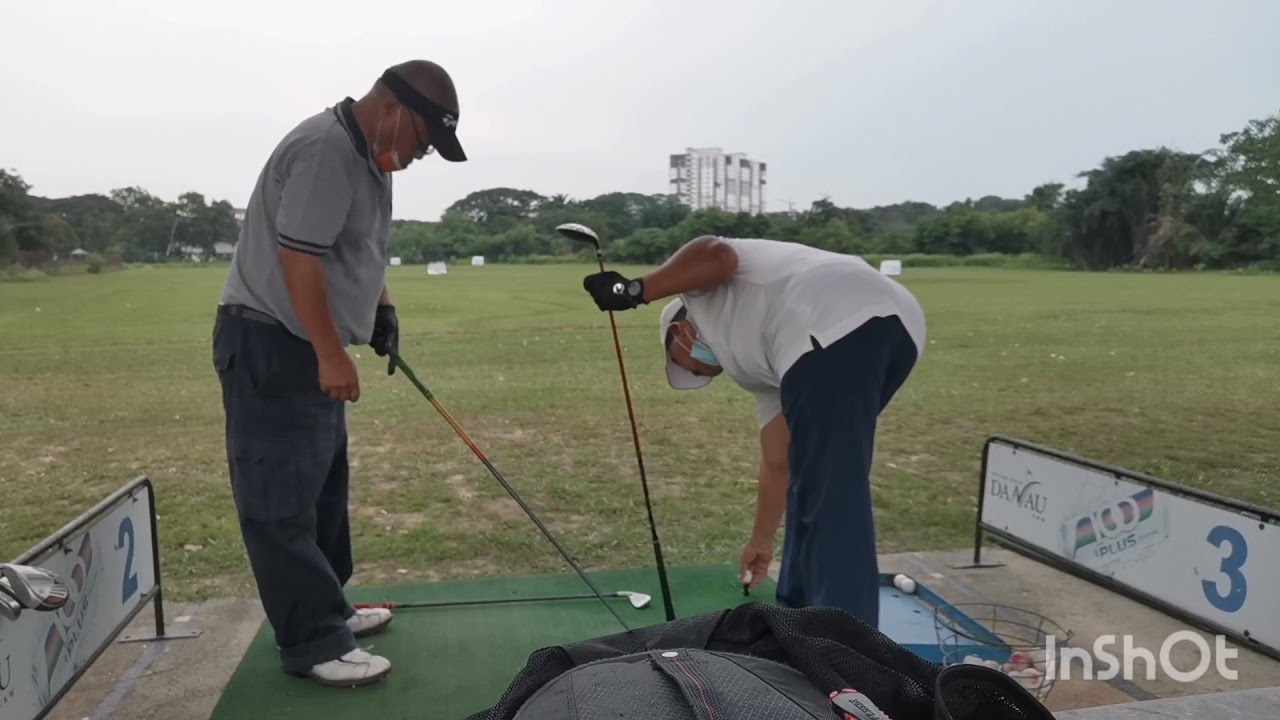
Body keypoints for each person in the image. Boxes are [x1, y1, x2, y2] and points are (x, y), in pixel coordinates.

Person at [211, 59, 467, 686]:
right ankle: (311, 642)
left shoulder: (370, 159)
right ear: (391, 111)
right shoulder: (327, 150)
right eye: (422, 142)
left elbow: (360, 251)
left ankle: (331, 611)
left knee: (322, 489)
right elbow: (298, 258)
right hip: (274, 344)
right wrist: (331, 351)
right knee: (280, 502)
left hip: (304, 341)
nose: (419, 157)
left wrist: (381, 308)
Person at [580, 236, 926, 629]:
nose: (696, 372)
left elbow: (716, 254)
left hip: (829, 314)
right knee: (813, 477)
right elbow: (779, 462)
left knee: (833, 491)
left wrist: (635, 291)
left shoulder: (696, 299)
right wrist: (761, 542)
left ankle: (847, 648)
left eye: (685, 366)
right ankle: (799, 615)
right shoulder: (763, 370)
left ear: (679, 331)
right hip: (894, 326)